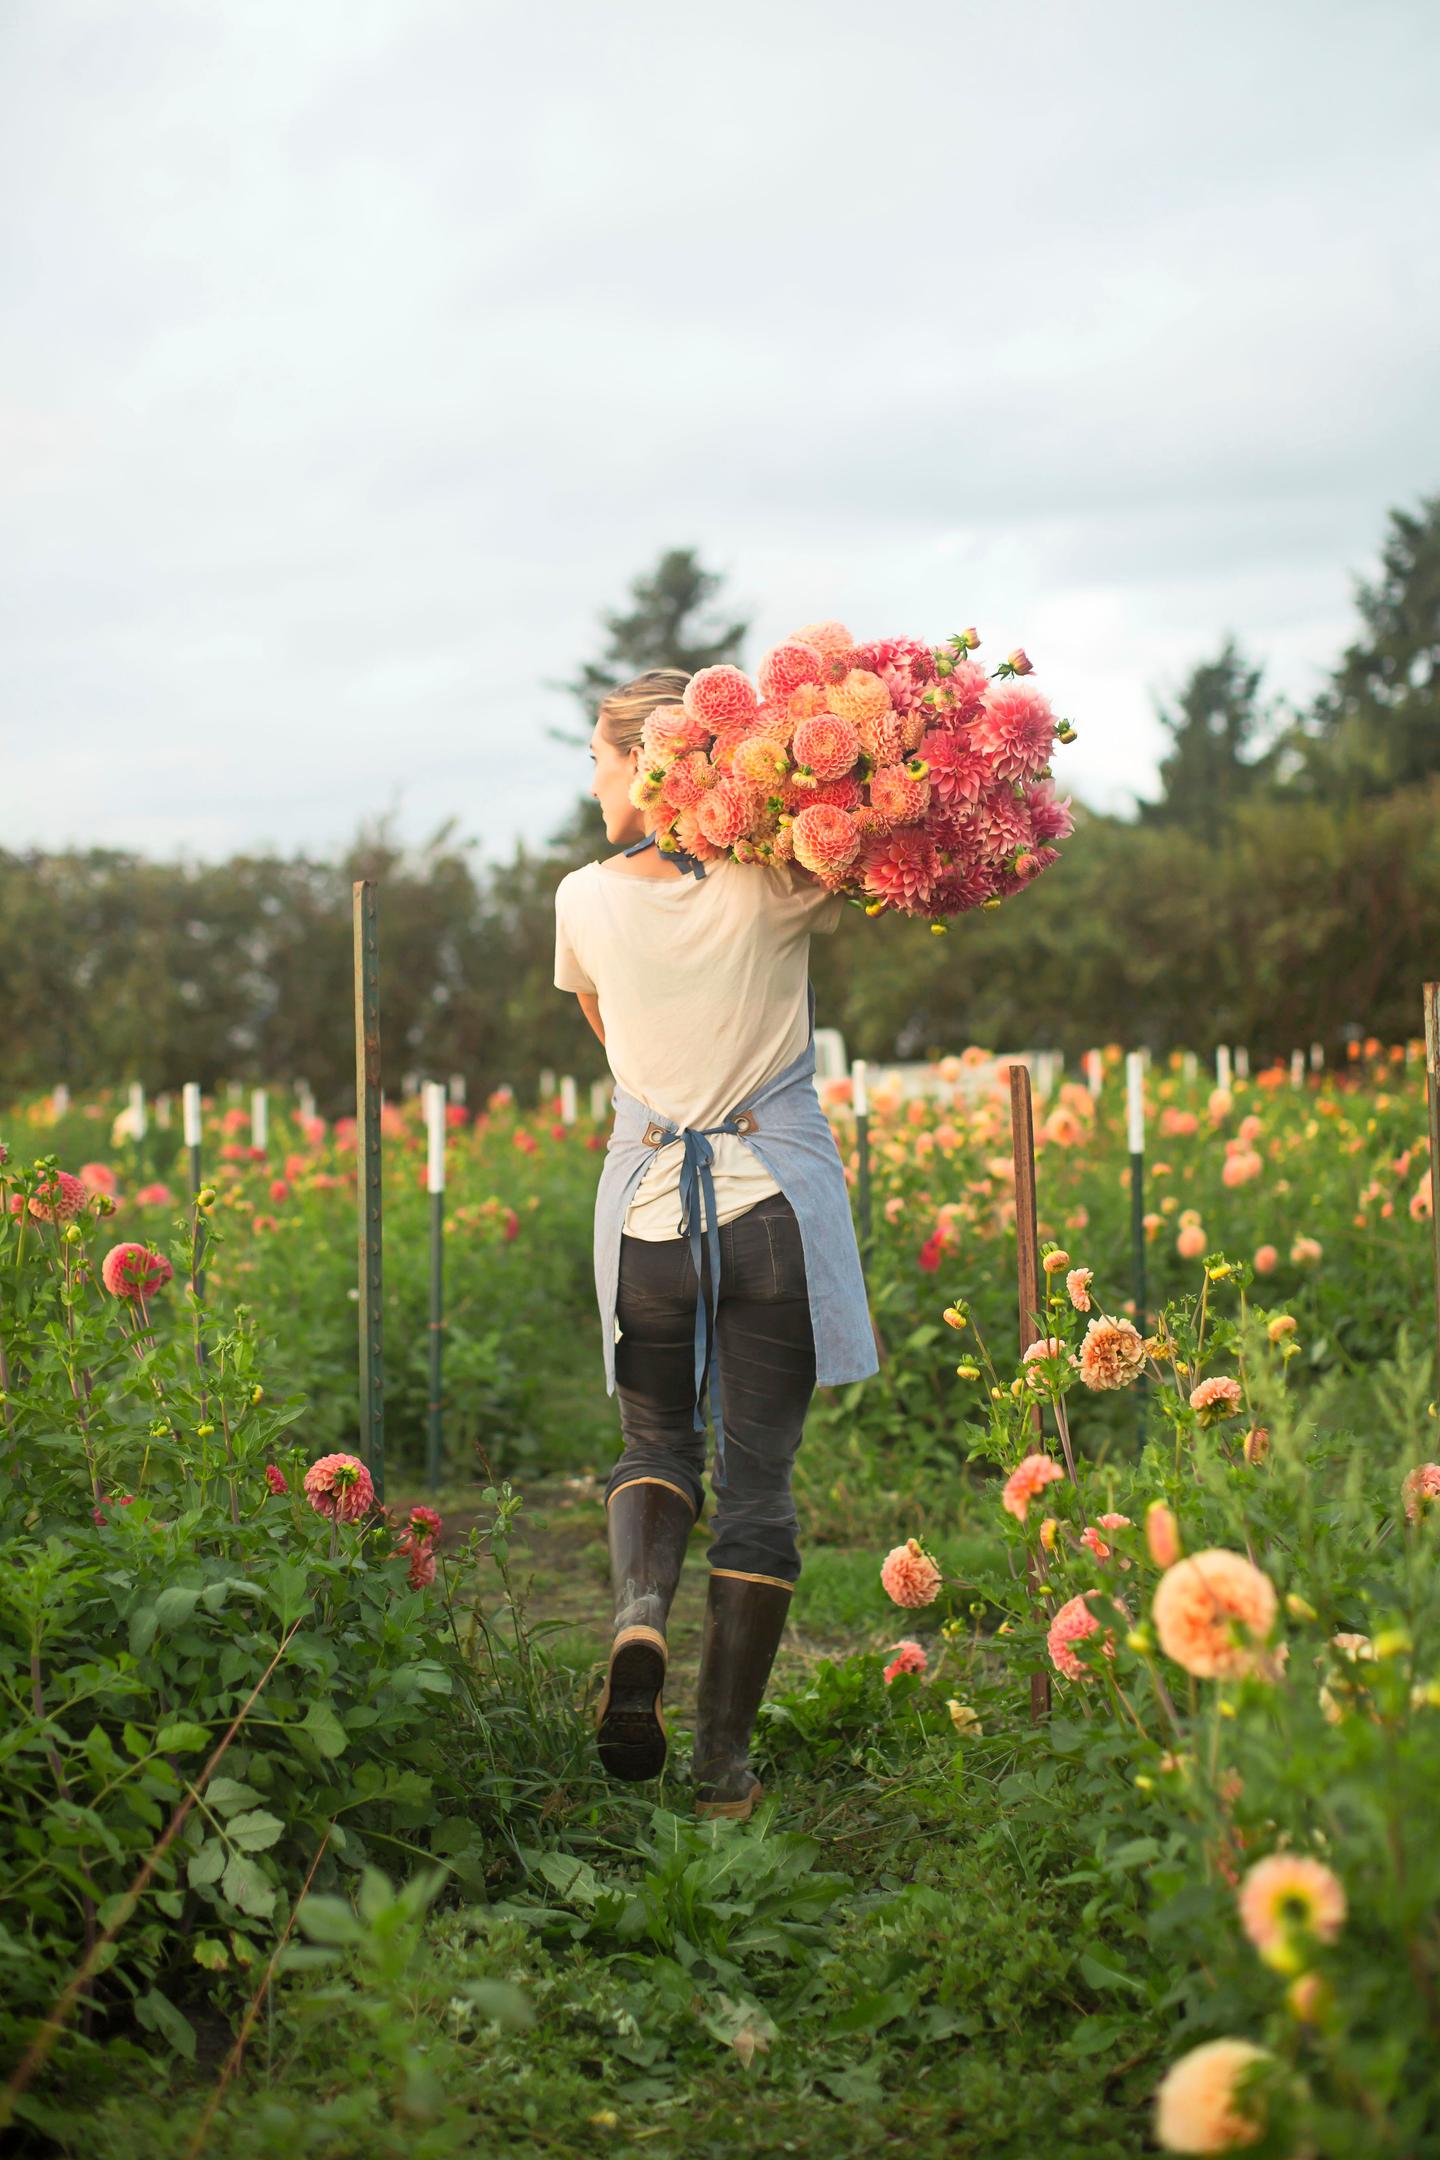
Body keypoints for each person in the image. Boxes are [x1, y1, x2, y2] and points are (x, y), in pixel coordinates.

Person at [552, 668, 879, 1821]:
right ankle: (721, 1768)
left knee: (653, 1436)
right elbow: (876, 861)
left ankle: (641, 1608)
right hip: (771, 1214)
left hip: (650, 1215)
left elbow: (613, 1045)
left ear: (647, 769)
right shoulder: (778, 880)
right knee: (761, 1485)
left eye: (598, 762)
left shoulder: (582, 900)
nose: (591, 787)